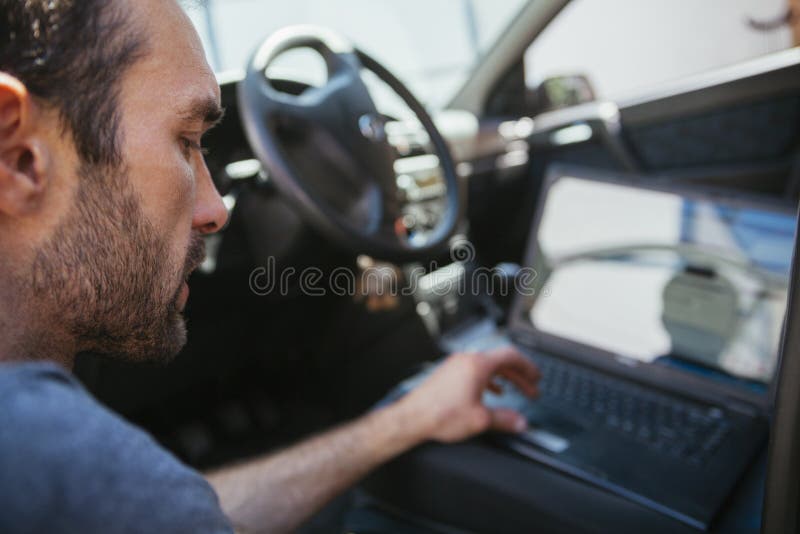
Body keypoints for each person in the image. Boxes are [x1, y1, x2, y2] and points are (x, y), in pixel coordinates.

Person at [0, 0, 540, 532]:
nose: (216, 212)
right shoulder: (55, 456)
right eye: (185, 142)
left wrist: (408, 420)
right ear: (17, 158)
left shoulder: (72, 477)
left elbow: (190, 511)